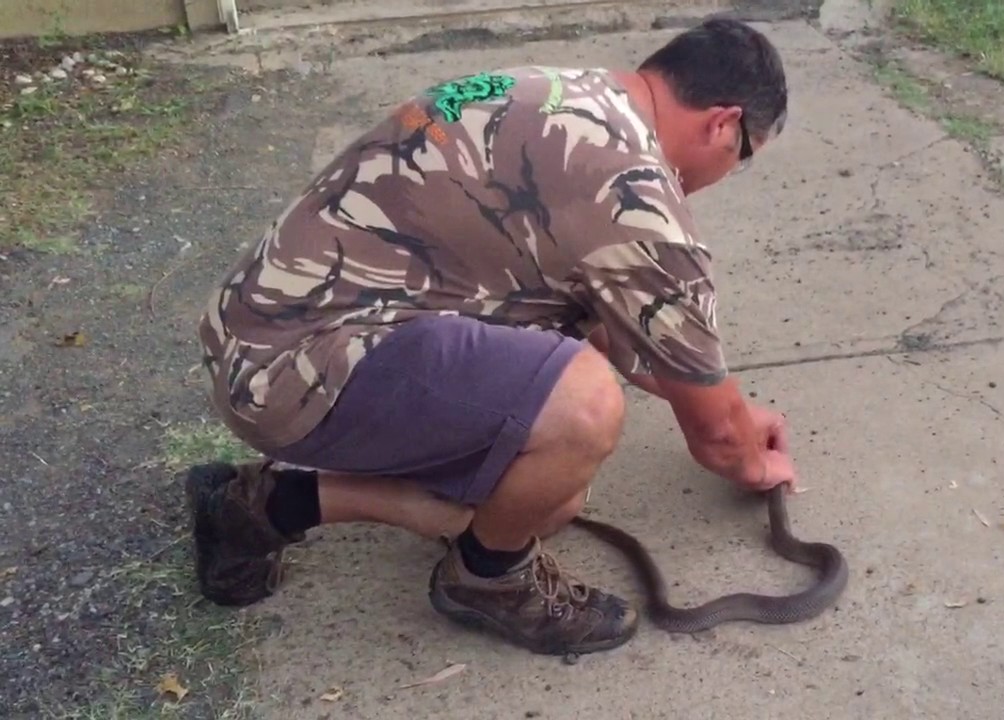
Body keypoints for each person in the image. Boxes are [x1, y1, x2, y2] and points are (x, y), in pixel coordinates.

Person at [188, 16, 796, 657]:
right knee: (581, 410)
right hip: (290, 371)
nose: (731, 171)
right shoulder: (634, 192)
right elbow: (718, 440)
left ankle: (264, 506)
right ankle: (488, 580)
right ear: (722, 124)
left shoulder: (565, 94)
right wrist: (755, 462)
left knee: (549, 494)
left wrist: (730, 409)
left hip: (259, 338)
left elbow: (637, 340)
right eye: (744, 155)